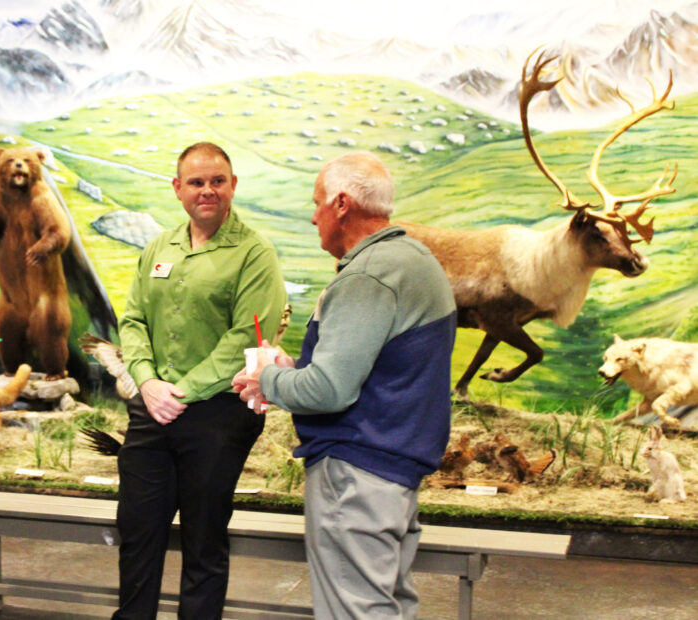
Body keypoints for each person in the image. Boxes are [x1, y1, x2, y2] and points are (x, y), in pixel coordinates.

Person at [232, 151, 457, 619]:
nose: (313, 216)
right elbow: (372, 367)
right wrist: (293, 369)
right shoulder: (414, 260)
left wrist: (266, 377)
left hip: (357, 475)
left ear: (340, 204)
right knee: (387, 606)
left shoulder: (369, 275)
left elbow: (329, 391)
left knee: (354, 611)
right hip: (392, 472)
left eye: (316, 203)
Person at [114, 141, 287, 619]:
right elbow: (132, 321)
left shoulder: (255, 253)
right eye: (196, 182)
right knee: (137, 533)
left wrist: (181, 393)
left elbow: (244, 337)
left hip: (215, 416)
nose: (207, 191)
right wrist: (148, 383)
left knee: (204, 540)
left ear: (233, 186)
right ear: (177, 189)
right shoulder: (158, 247)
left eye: (217, 181)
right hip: (152, 409)